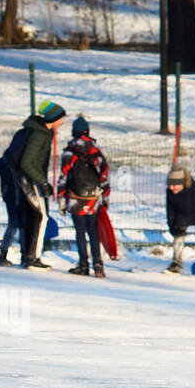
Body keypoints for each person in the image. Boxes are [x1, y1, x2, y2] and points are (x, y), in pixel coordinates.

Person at [5, 99, 67, 269]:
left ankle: (27, 256)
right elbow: (27, 163)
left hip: (27, 179)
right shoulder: (40, 134)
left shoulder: (40, 132)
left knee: (32, 217)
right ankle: (33, 258)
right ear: (53, 119)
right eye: (61, 119)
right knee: (41, 217)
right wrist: (42, 182)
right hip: (29, 180)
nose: (62, 122)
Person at [56, 115, 110, 278]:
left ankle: (83, 265)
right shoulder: (96, 153)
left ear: (74, 132)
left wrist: (61, 200)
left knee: (80, 231)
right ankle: (98, 265)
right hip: (92, 198)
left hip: (75, 197)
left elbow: (63, 177)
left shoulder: (69, 153)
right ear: (88, 131)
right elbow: (105, 177)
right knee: (93, 231)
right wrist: (105, 199)